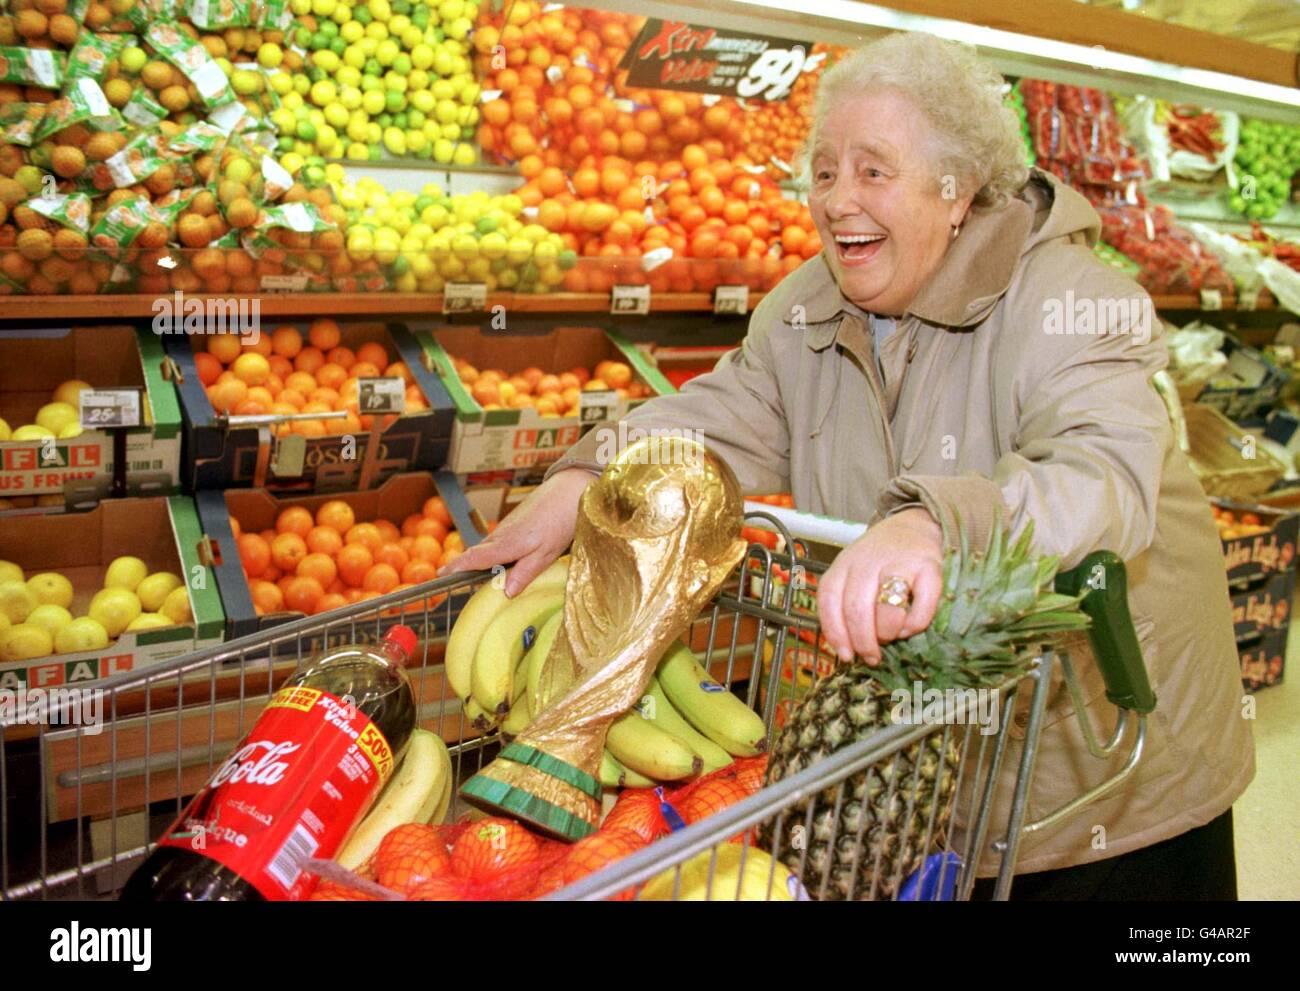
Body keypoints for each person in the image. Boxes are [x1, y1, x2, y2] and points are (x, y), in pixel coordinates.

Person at [444, 32, 1254, 900]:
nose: (837, 201)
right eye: (824, 171)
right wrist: (582, 480)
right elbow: (719, 415)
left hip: (1105, 778)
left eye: (874, 171)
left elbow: (1103, 475)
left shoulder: (1077, 304)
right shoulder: (807, 306)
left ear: (959, 192)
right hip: (927, 769)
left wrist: (936, 522)